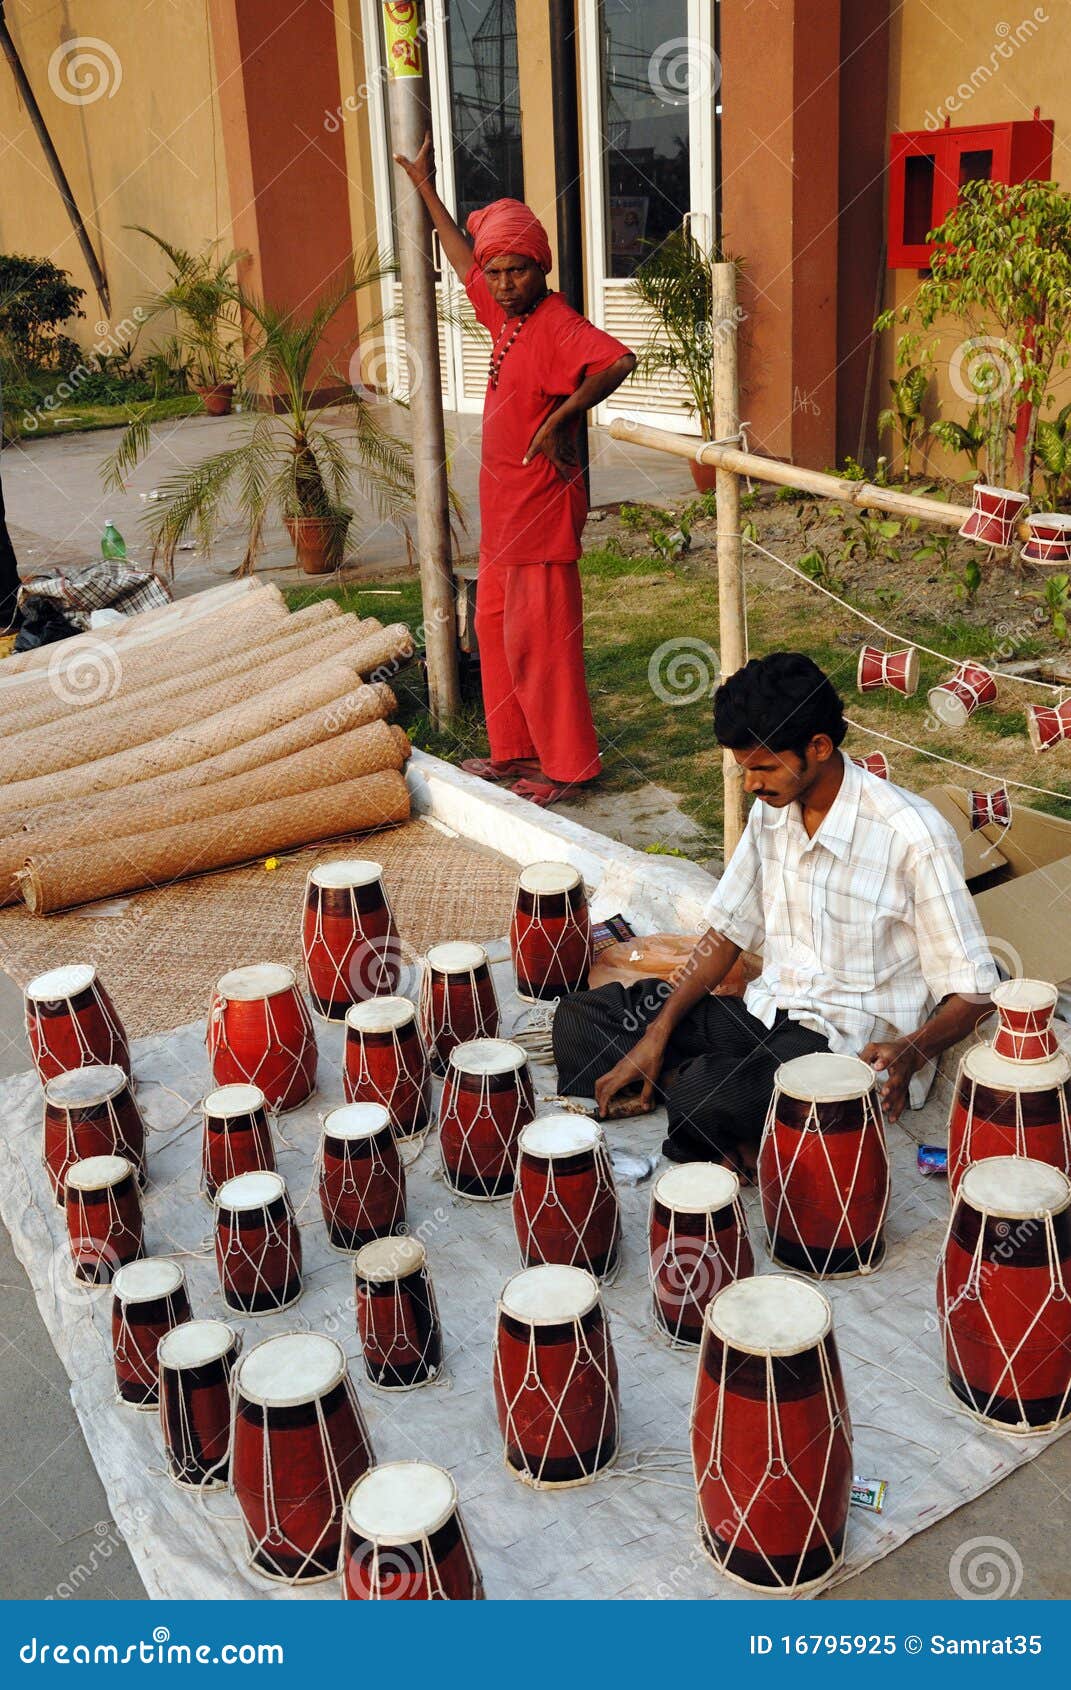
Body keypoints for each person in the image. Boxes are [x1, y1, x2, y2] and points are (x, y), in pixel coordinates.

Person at [553, 652, 998, 1172]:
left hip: (839, 1046)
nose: (751, 785)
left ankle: (702, 1093)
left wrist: (913, 1050)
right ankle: (706, 1097)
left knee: (705, 1095)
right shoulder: (774, 810)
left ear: (818, 747)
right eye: (744, 769)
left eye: (762, 767)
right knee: (582, 1019)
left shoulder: (913, 836)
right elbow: (726, 933)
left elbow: (976, 991)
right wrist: (657, 1032)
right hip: (761, 1013)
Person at [393, 134, 637, 806]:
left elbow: (617, 361)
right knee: (497, 638)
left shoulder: (554, 321)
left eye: (516, 272)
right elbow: (461, 256)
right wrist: (423, 186)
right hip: (502, 518)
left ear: (540, 269)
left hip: (538, 513)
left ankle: (567, 768)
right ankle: (516, 752)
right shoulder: (505, 316)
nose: (501, 283)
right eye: (496, 273)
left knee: (542, 646)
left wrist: (561, 420)